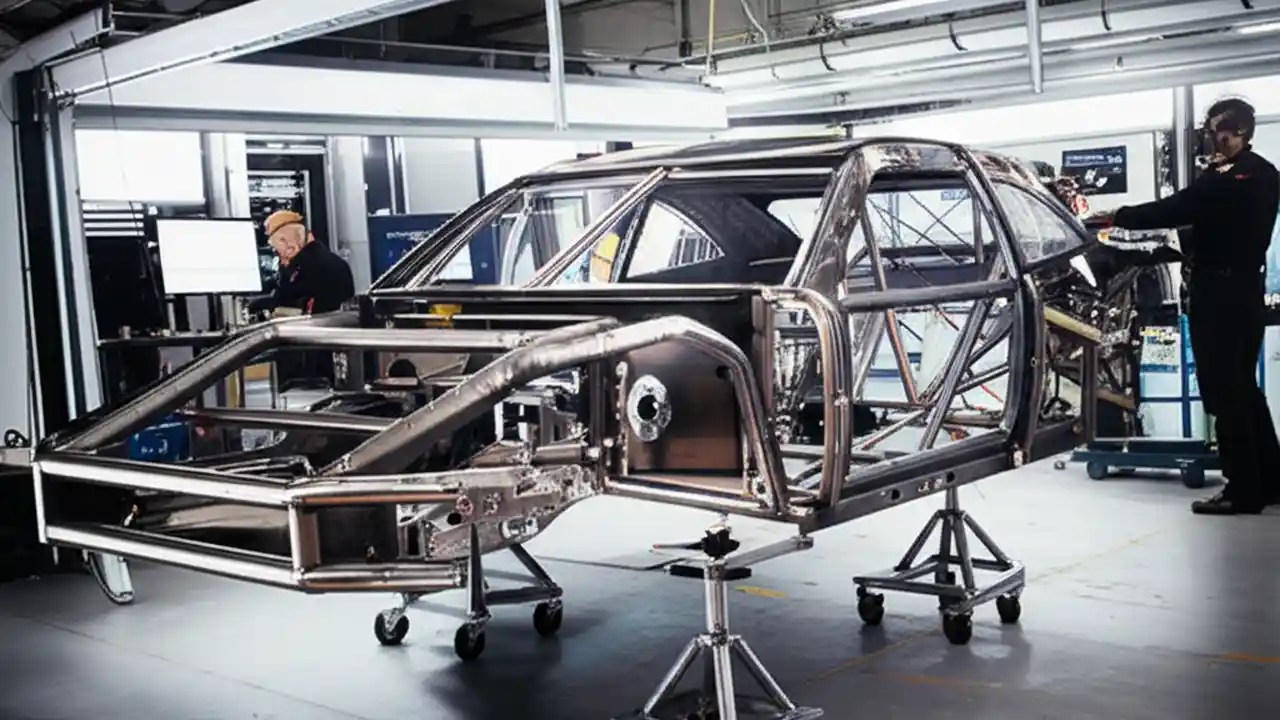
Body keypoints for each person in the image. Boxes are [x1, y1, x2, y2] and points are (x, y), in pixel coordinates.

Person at [1096, 98, 1280, 515]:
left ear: (1239, 133)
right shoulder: (1266, 174)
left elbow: (1174, 208)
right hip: (1245, 292)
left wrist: (1117, 216)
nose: (1215, 137)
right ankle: (1269, 479)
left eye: (1220, 129)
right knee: (1244, 389)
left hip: (1220, 294)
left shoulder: (1228, 179)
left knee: (1224, 390)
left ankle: (1242, 490)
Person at [251, 210, 356, 390]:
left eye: (278, 249)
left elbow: (283, 298)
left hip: (316, 352)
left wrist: (253, 304)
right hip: (338, 348)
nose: (278, 255)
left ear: (288, 242)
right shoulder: (332, 260)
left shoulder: (304, 265)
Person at [251, 210, 355, 316]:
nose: (280, 260)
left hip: (310, 329)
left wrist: (253, 305)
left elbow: (282, 301)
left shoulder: (302, 267)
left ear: (288, 245)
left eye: (278, 252)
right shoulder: (336, 262)